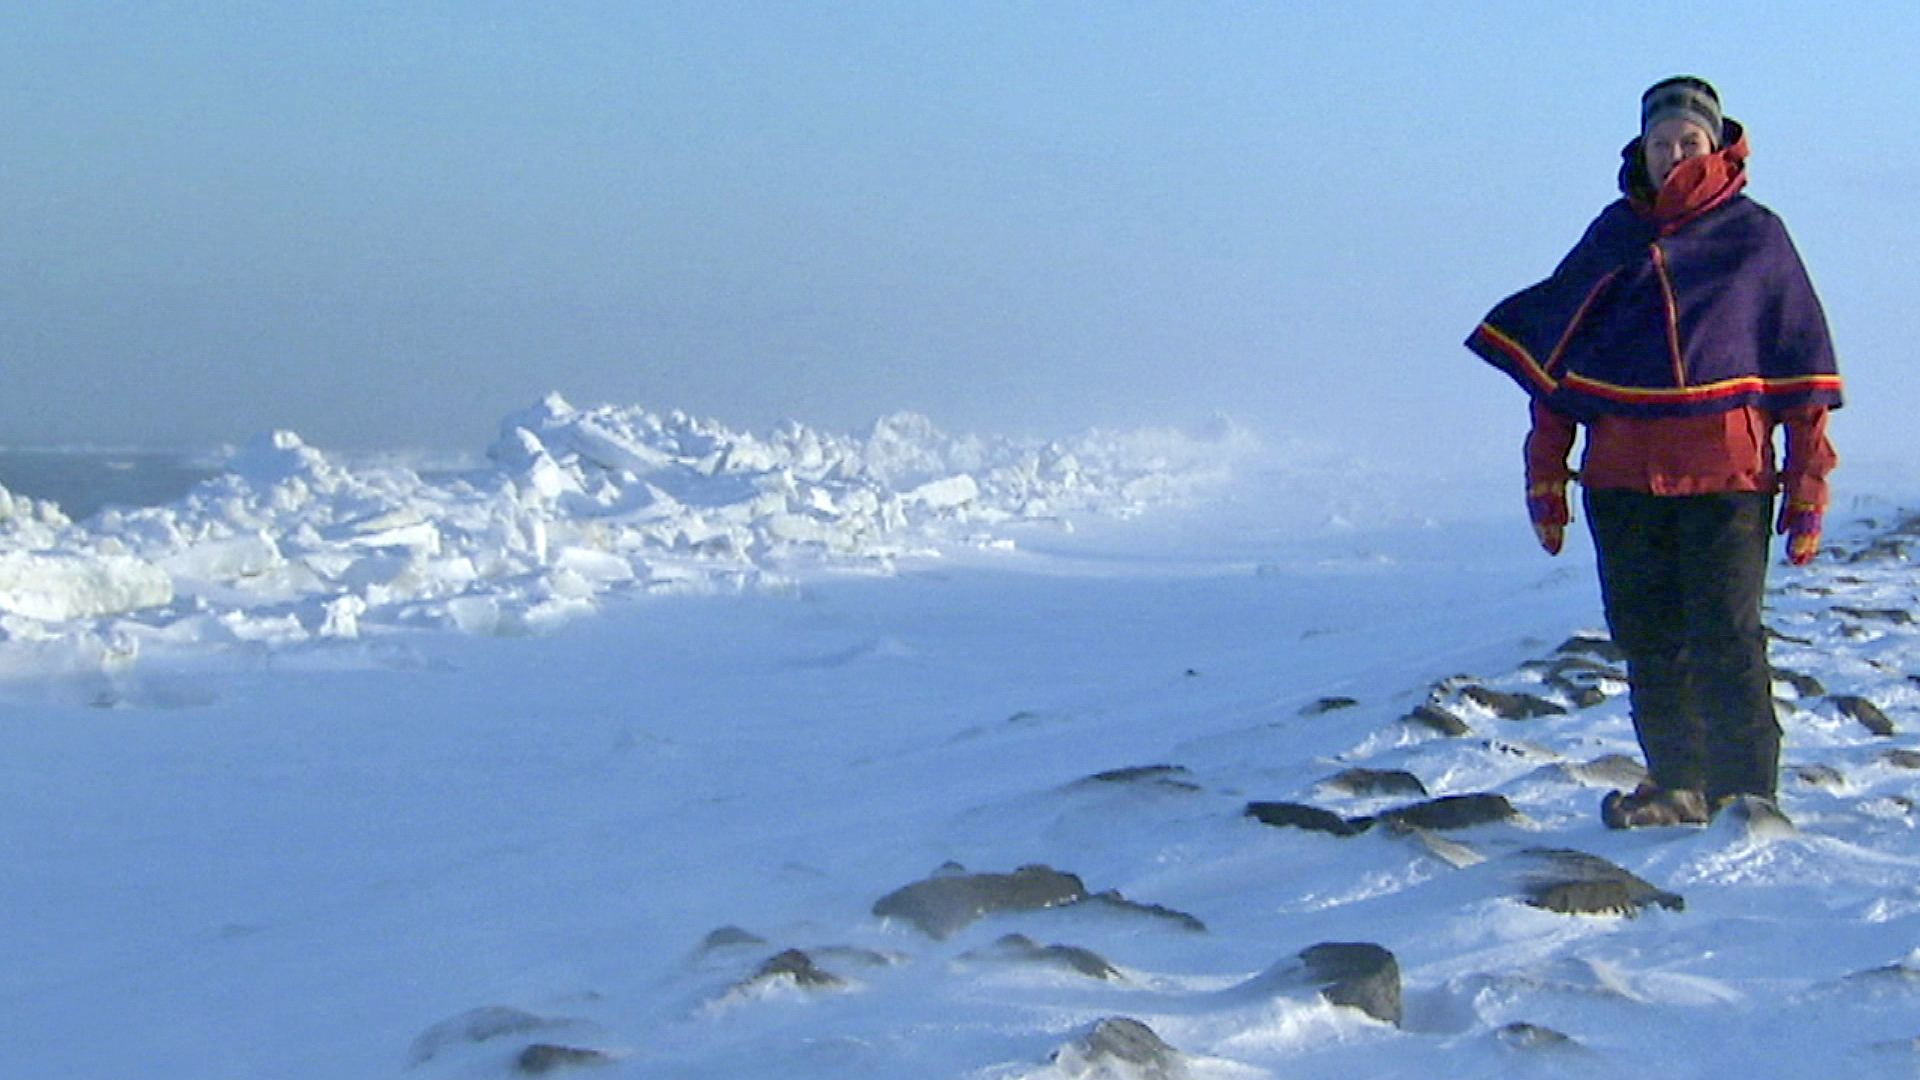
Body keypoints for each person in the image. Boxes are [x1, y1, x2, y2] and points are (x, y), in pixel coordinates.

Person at [1466, 76, 1842, 828]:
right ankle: (1678, 785)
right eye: (1661, 143)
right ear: (1642, 147)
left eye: (1688, 142)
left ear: (1717, 144)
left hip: (1727, 475)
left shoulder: (1756, 235)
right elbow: (1557, 366)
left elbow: (1800, 373)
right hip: (1622, 478)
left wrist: (1808, 487)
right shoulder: (1614, 234)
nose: (1673, 156)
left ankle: (1747, 794)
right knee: (1650, 641)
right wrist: (1546, 479)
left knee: (1728, 638)